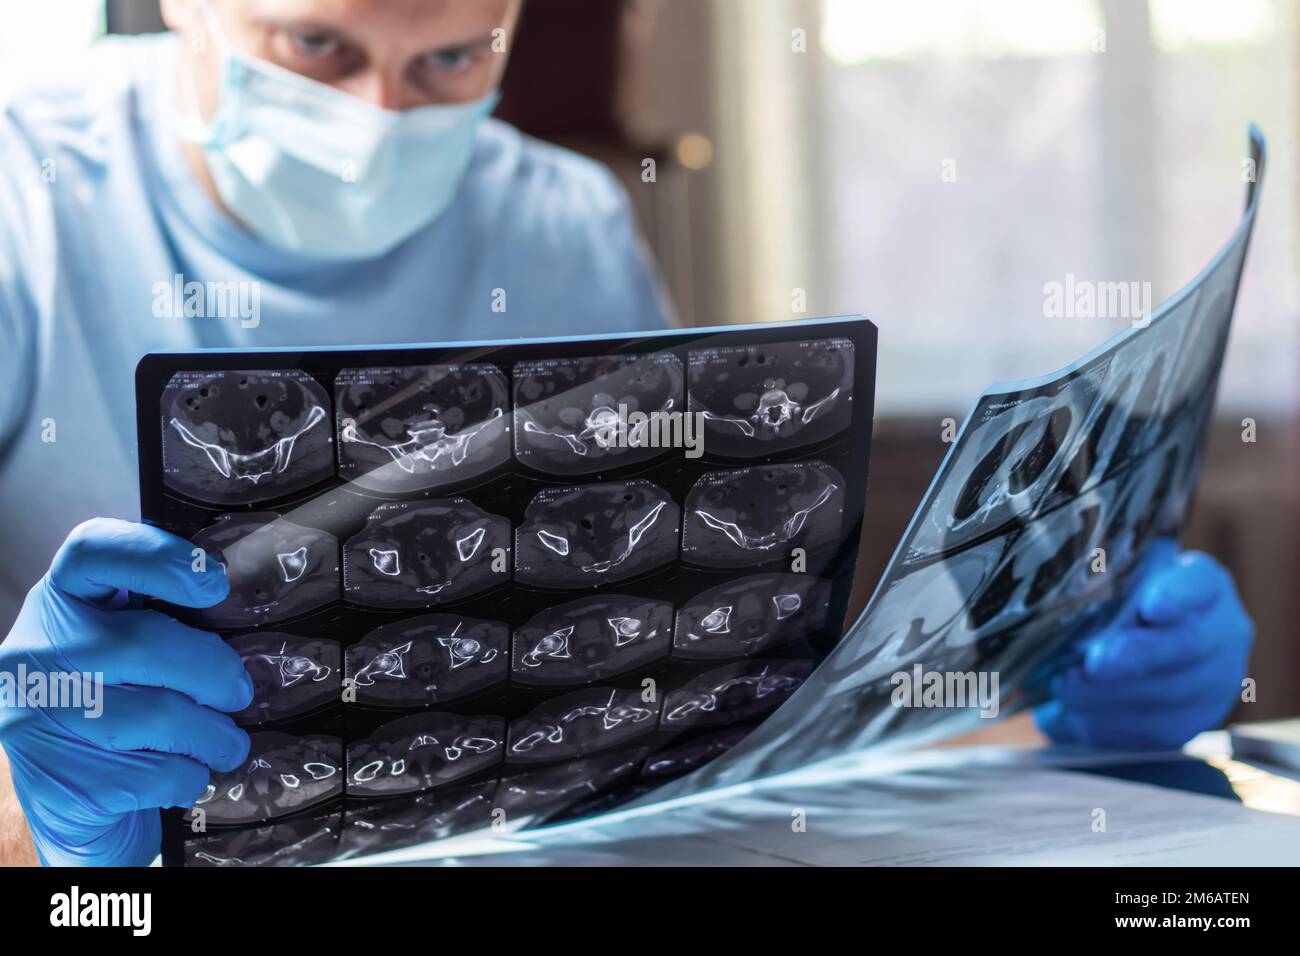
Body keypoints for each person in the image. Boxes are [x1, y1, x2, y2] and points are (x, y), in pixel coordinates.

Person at [0, 0, 1252, 867]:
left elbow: (693, 696)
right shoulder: (24, 209)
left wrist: (1027, 701)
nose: (378, 119)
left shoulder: (565, 223)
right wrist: (43, 814)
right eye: (314, 45)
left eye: (450, 60)